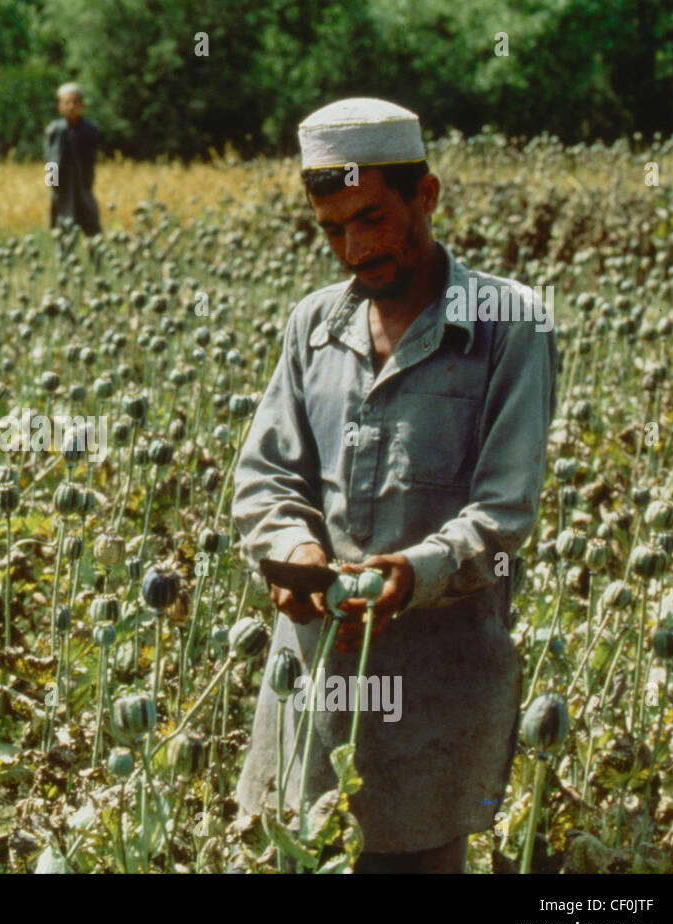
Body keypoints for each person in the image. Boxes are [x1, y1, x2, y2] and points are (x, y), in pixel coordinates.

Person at [232, 98, 557, 873]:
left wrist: (409, 576)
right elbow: (266, 475)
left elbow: (505, 509)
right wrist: (293, 553)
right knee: (301, 853)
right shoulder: (312, 324)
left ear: (428, 195)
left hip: (435, 691)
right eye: (333, 229)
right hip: (312, 680)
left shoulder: (509, 323)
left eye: (371, 217)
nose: (354, 248)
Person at [45, 82, 102, 239]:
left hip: (83, 188)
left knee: (93, 231)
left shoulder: (90, 130)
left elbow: (92, 159)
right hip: (61, 190)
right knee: (63, 231)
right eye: (67, 102)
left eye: (76, 102)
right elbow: (49, 161)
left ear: (82, 105)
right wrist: (52, 186)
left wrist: (88, 182)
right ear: (60, 106)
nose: (71, 106)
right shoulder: (54, 130)